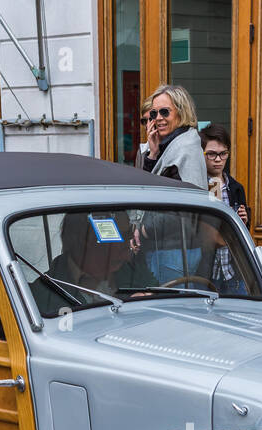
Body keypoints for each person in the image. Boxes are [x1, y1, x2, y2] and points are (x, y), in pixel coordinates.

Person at [28, 211, 156, 316]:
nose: (126, 253)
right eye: (116, 238)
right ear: (80, 241)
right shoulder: (44, 296)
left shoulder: (131, 271)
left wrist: (147, 300)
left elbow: (161, 295)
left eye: (128, 235)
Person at [198, 124, 249, 295]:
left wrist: (243, 223)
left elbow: (244, 234)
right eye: (211, 154)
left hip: (233, 271)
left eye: (223, 153)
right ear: (202, 154)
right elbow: (209, 235)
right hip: (206, 273)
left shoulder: (236, 188)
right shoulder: (199, 187)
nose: (218, 159)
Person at [139, 84, 205, 189]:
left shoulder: (186, 147)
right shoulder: (168, 143)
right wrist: (153, 154)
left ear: (181, 112)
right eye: (154, 113)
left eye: (164, 112)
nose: (158, 118)